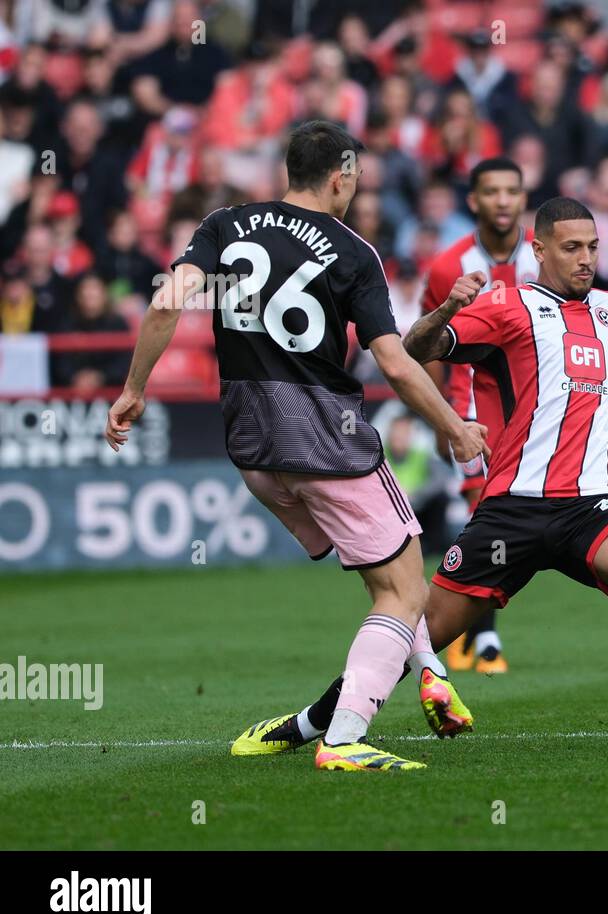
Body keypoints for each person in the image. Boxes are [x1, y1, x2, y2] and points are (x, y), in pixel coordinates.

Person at [239, 197, 608, 746]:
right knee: (415, 630)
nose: (585, 259)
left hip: (592, 506)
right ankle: (310, 724)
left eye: (592, 247)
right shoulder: (510, 307)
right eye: (571, 248)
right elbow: (415, 346)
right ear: (539, 249)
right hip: (511, 510)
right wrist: (447, 310)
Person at [103, 121, 489, 772]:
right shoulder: (354, 252)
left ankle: (420, 674)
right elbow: (393, 364)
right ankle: (343, 739)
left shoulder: (225, 224)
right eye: (357, 176)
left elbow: (169, 301)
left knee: (389, 577)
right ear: (340, 174)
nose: (357, 186)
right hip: (326, 440)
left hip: (254, 452)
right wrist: (454, 426)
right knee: (403, 586)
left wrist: (134, 388)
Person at [419, 156, 538, 673]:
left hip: (535, 406)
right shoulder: (449, 266)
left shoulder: (546, 253)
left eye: (512, 191)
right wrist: (442, 416)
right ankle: (481, 639)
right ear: (474, 200)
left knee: (515, 514)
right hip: (473, 407)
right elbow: (423, 346)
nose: (504, 201)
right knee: (486, 513)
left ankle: (464, 634)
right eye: (492, 192)